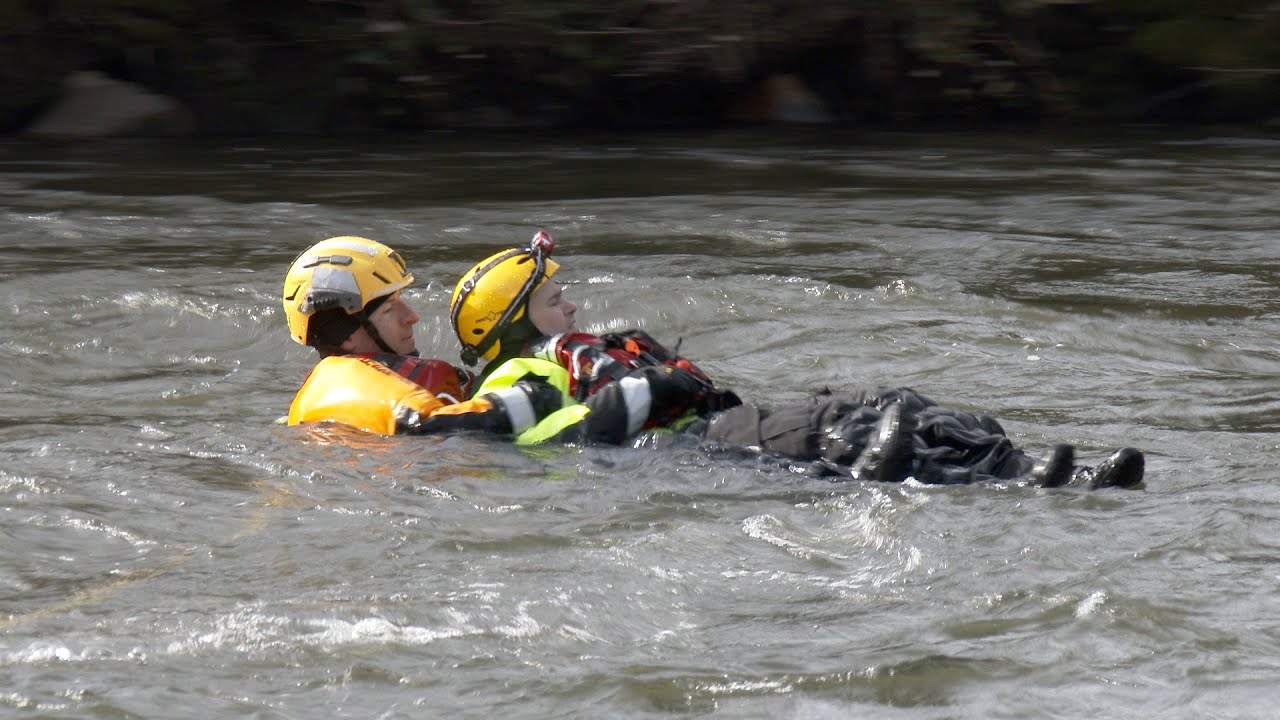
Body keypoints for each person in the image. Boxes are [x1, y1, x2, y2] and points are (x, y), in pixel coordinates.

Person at [448, 231, 1146, 490]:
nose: (569, 310)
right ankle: (960, 476)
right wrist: (655, 384)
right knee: (840, 427)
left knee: (886, 400)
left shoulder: (580, 349)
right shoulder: (522, 373)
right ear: (514, 323)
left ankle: (1042, 471)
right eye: (553, 302)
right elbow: (553, 431)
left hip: (712, 426)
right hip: (684, 448)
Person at [281, 236, 718, 445]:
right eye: (392, 308)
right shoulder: (343, 383)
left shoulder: (374, 379)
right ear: (347, 328)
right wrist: (536, 397)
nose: (413, 315)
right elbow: (442, 430)